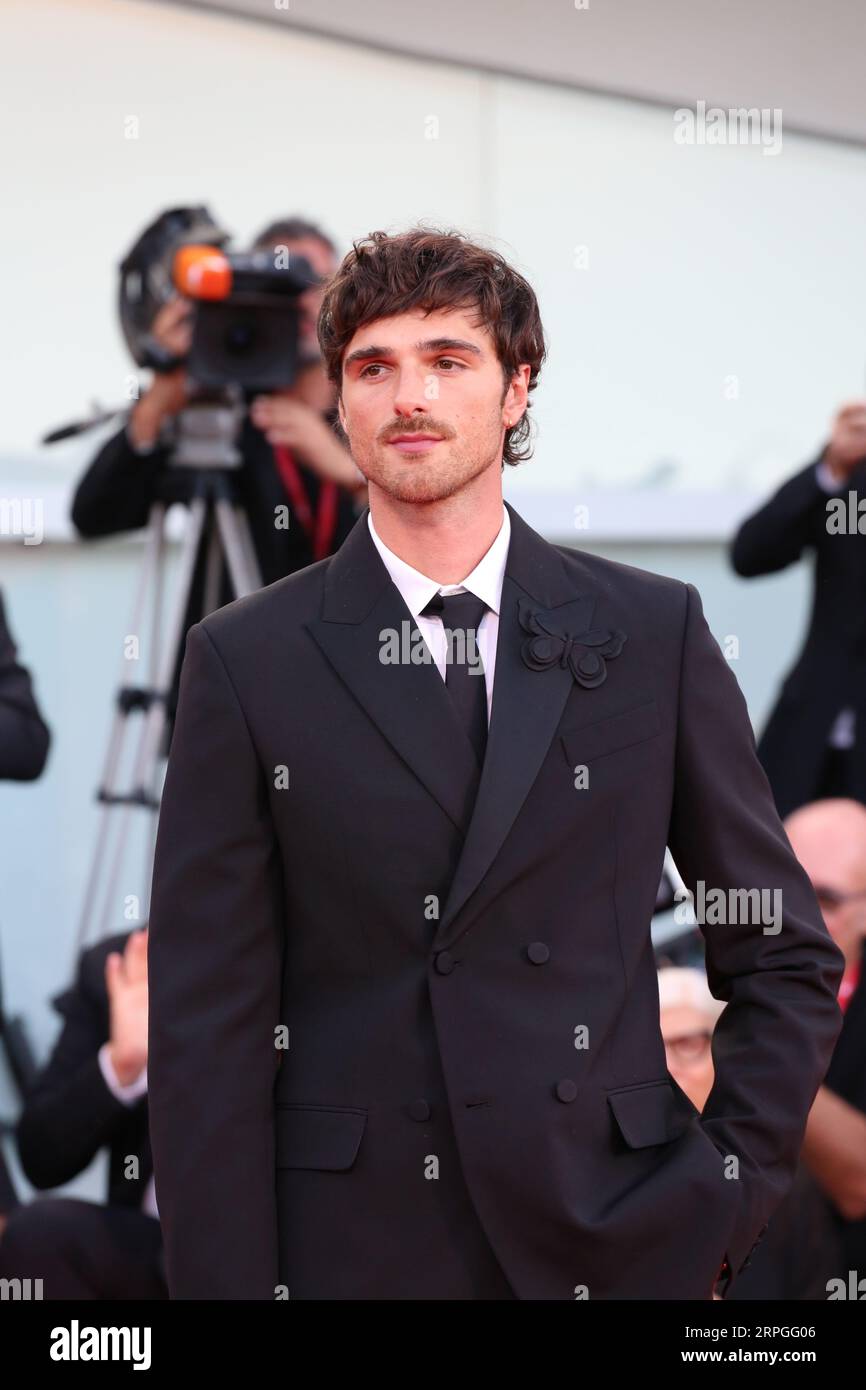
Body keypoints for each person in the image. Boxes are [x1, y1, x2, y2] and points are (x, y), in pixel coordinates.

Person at [147, 226, 845, 1301]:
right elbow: (207, 1032)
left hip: (610, 1239)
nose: (405, 396)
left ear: (516, 389)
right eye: (371, 367)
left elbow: (779, 956)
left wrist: (716, 1203)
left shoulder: (649, 631)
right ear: (339, 400)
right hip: (352, 1251)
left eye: (447, 360)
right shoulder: (245, 659)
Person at [70, 215, 367, 737]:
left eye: (312, 283)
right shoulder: (219, 415)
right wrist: (164, 386)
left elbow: (424, 538)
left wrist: (350, 473)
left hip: (349, 699)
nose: (299, 302)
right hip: (230, 707)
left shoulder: (372, 411)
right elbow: (94, 514)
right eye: (276, 285)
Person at [659, 966, 844, 1299]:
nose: (670, 1070)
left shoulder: (779, 1180)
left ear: (728, 1057)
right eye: (655, 1056)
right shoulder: (613, 1187)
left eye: (688, 1044)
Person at [0, 927, 166, 1298]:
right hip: (150, 1247)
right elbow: (41, 1159)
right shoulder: (119, 966)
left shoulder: (301, 966)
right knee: (37, 1238)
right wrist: (121, 1066)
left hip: (264, 1243)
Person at [730, 401, 866, 817]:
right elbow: (751, 554)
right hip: (812, 740)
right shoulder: (852, 485)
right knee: (768, 862)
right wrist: (833, 469)